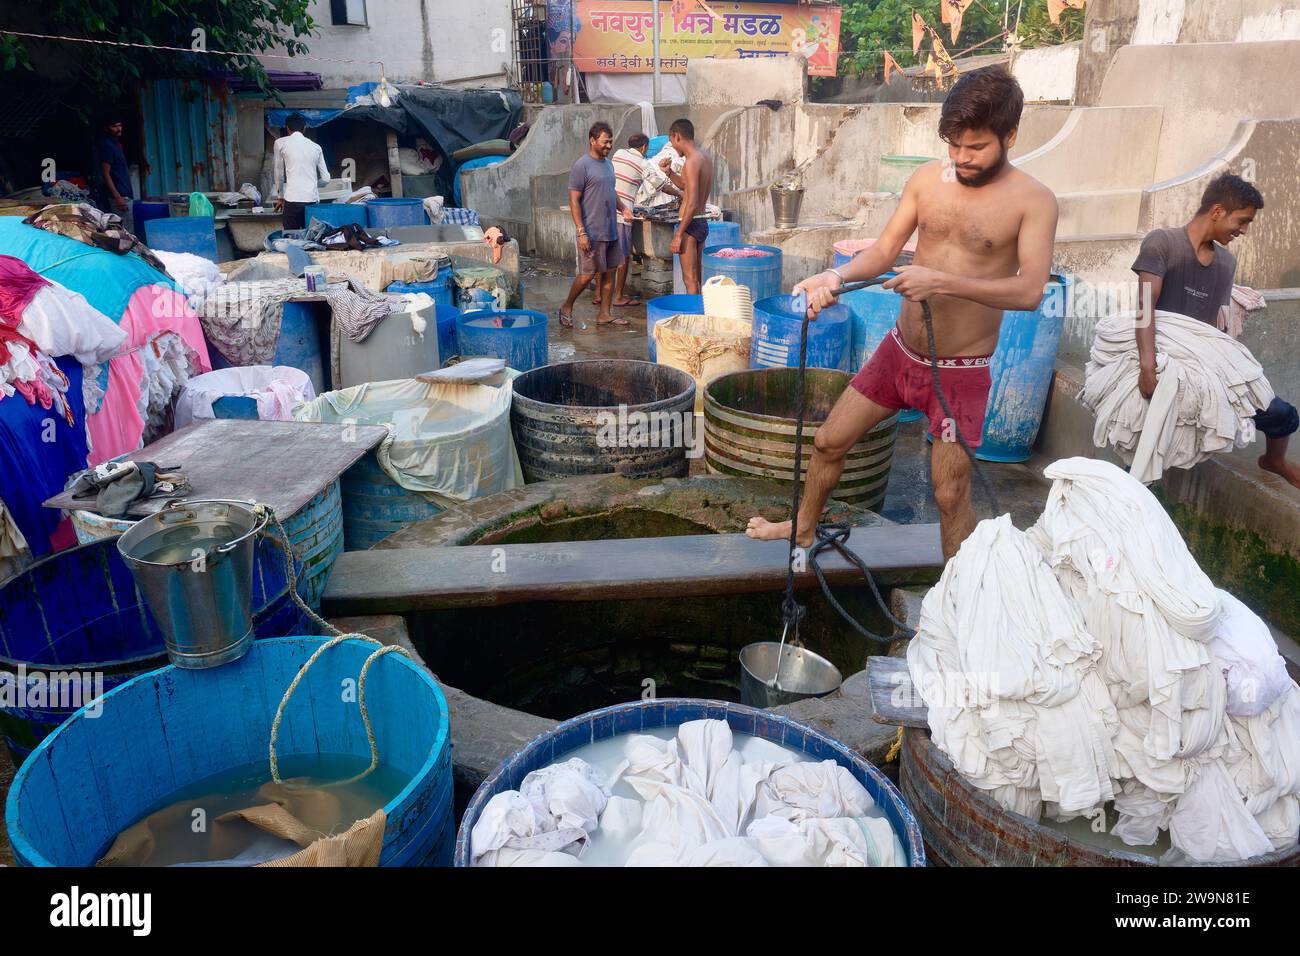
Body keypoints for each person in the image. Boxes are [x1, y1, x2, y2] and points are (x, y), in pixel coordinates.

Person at [746, 66, 1058, 560]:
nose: (961, 158)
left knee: (949, 493)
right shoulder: (926, 181)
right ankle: (802, 528)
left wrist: (939, 280)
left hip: (960, 371)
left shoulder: (1034, 201)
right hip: (899, 352)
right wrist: (836, 277)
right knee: (829, 440)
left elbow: (1030, 291)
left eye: (975, 147)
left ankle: (960, 595)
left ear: (1011, 135)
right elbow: (885, 252)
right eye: (954, 145)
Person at [1132, 173, 1300, 488]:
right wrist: (1147, 366)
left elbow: (1212, 328)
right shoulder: (1163, 243)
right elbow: (1144, 307)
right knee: (1148, 445)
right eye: (1242, 220)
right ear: (1217, 211)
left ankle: (1274, 460)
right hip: (1160, 355)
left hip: (1201, 358)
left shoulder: (1225, 262)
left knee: (1282, 414)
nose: (1244, 230)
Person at [557, 122, 630, 329]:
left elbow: (610, 190)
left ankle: (605, 314)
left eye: (611, 142)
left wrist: (623, 208)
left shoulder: (608, 164)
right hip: (591, 230)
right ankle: (567, 306)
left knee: (610, 271)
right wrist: (581, 232)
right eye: (605, 142)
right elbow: (574, 200)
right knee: (587, 274)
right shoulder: (582, 165)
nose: (609, 146)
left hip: (610, 229)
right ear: (592, 140)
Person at [599, 133, 682, 307]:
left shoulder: (618, 154)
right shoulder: (643, 163)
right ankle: (618, 296)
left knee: (604, 254)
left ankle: (599, 295)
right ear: (644, 147)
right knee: (622, 256)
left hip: (606, 209)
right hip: (623, 213)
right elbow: (661, 186)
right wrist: (681, 193)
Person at [661, 119, 714, 295]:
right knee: (697, 278)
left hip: (689, 224)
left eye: (671, 142)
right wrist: (669, 172)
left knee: (690, 280)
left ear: (677, 136)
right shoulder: (704, 157)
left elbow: (691, 202)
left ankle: (694, 320)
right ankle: (699, 316)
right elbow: (685, 185)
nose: (673, 148)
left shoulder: (691, 162)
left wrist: (678, 234)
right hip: (701, 222)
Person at [272, 113, 331, 231]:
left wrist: (280, 197)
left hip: (292, 199)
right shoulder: (316, 147)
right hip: (312, 200)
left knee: (291, 236)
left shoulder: (280, 143)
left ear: (287, 128)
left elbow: (279, 173)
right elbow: (326, 178)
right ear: (304, 128)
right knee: (311, 236)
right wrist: (313, 184)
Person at [93, 116, 134, 234]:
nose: (118, 128)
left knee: (127, 232)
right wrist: (117, 197)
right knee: (124, 234)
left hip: (125, 194)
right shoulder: (107, 145)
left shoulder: (116, 144)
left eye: (119, 125)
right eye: (114, 126)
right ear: (106, 128)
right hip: (119, 196)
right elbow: (105, 173)